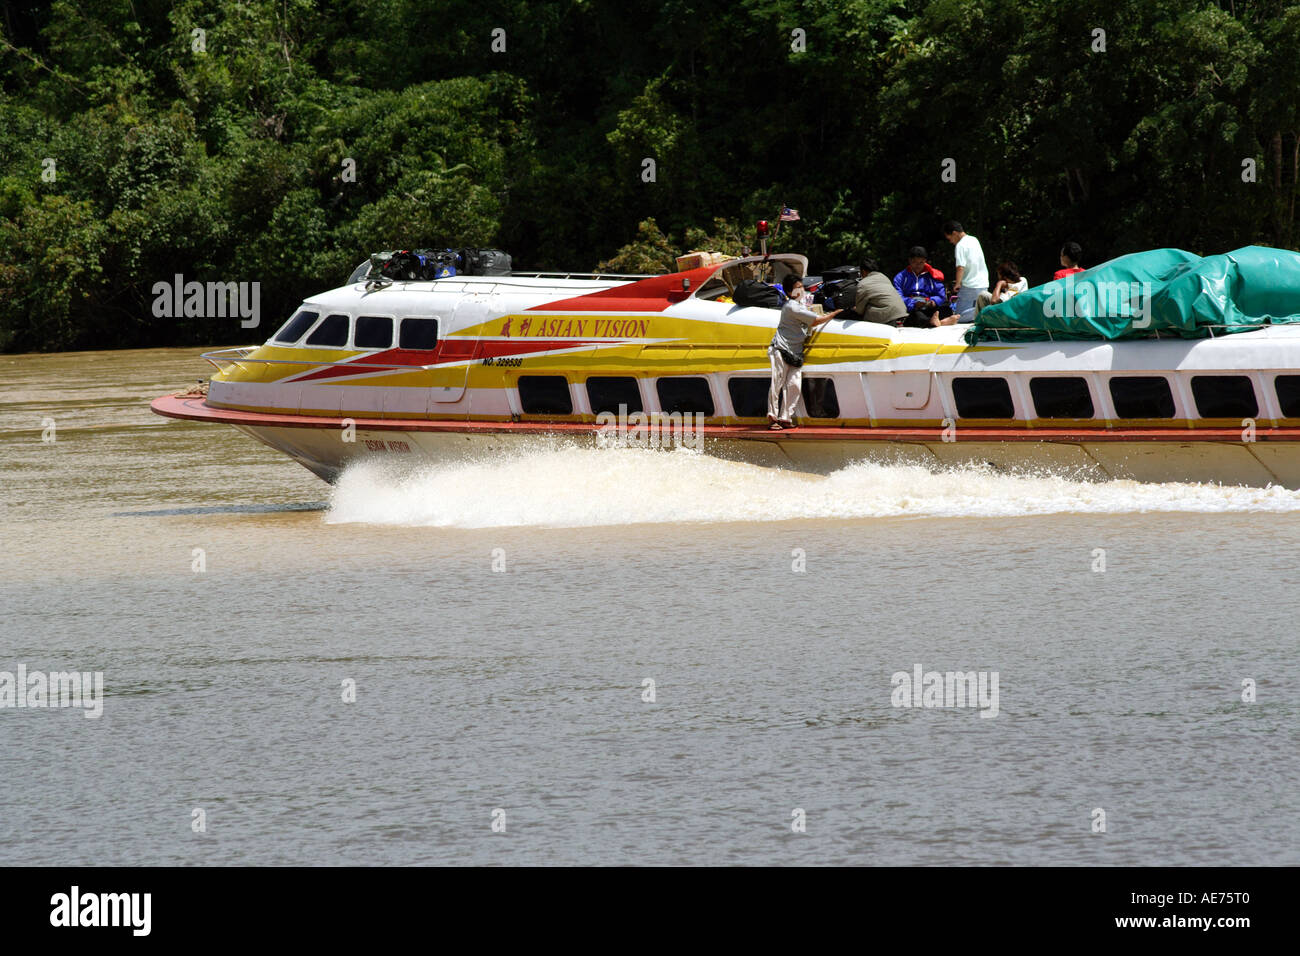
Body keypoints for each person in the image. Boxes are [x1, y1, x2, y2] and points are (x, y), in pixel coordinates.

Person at [769, 275, 839, 429]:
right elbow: (815, 321)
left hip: (795, 352)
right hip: (781, 348)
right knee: (777, 383)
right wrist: (833, 314)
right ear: (789, 291)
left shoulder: (800, 305)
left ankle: (785, 418)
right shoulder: (791, 307)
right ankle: (773, 417)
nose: (801, 290)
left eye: (801, 287)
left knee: (793, 384)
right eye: (797, 287)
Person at [893, 247, 954, 327]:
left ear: (925, 261)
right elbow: (898, 297)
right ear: (909, 261)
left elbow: (941, 295)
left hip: (928, 306)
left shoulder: (932, 275)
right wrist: (913, 304)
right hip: (912, 309)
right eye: (914, 262)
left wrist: (933, 302)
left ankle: (936, 320)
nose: (918, 265)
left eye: (921, 262)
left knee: (946, 310)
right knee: (917, 315)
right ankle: (935, 322)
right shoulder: (901, 277)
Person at [942, 220, 989, 322]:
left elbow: (960, 267)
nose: (951, 242)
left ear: (954, 233)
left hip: (970, 285)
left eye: (950, 238)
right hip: (983, 282)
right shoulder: (974, 240)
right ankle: (984, 311)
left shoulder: (960, 245)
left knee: (959, 317)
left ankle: (985, 312)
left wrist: (957, 284)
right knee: (976, 308)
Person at [850, 258, 908, 326]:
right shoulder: (884, 277)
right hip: (902, 313)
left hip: (887, 317)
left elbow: (859, 310)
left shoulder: (863, 283)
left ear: (863, 271)